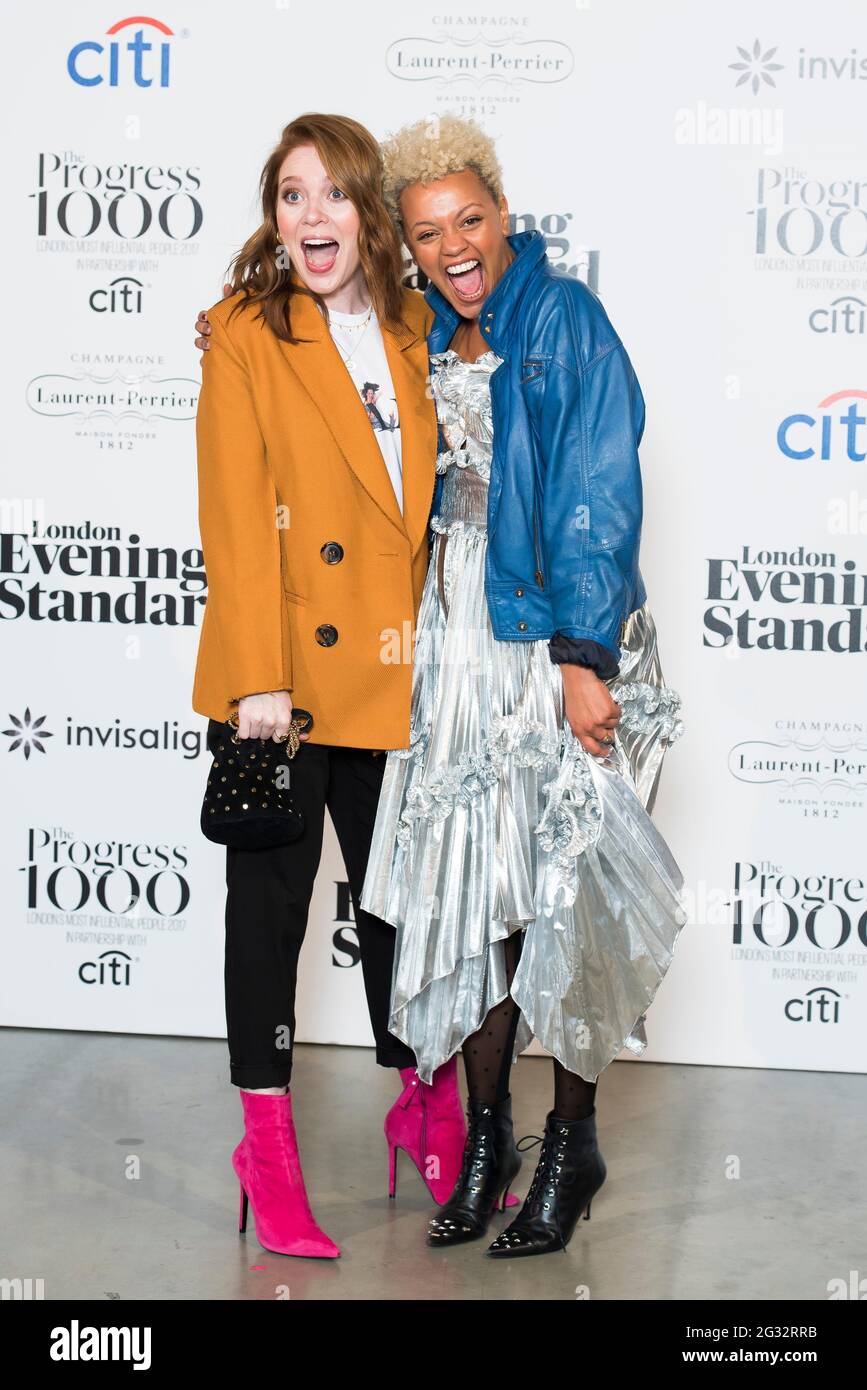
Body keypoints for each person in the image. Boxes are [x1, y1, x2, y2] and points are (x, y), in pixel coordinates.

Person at [359, 114, 687, 1258]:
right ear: (406, 243)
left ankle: (572, 1144)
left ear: (502, 213)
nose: (451, 246)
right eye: (426, 232)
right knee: (481, 896)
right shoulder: (424, 325)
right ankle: (488, 1139)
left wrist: (583, 659)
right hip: (454, 634)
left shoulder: (564, 318)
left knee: (566, 899)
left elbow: (598, 488)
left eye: (468, 220)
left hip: (545, 633)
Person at [191, 112, 470, 1260]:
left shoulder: (416, 329)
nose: (312, 218)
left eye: (333, 195)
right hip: (289, 684)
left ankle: (425, 1106)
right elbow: (238, 513)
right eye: (289, 195)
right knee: (271, 921)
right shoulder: (246, 333)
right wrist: (259, 674)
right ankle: (267, 1141)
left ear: (370, 210)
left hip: (398, 674)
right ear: (274, 216)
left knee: (402, 910)